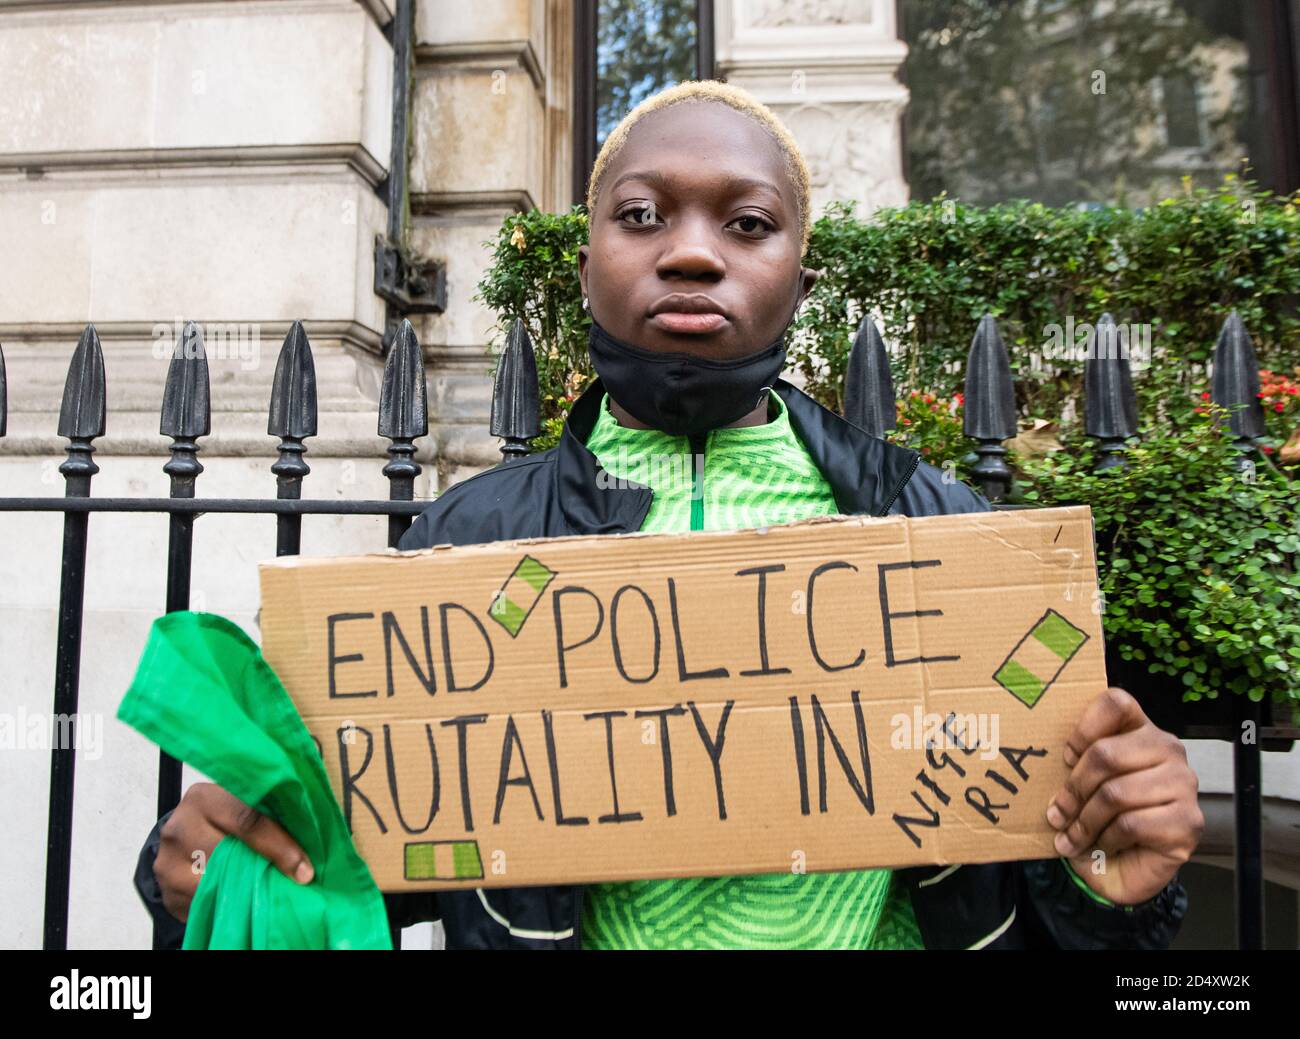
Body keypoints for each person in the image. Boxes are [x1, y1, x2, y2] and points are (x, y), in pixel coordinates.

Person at [136, 80, 1201, 950]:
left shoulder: (941, 530)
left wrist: (1119, 876)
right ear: (588, 256)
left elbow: (1045, 889)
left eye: (747, 223)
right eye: (641, 214)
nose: (691, 251)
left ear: (798, 273)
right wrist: (203, 872)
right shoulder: (465, 544)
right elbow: (371, 866)